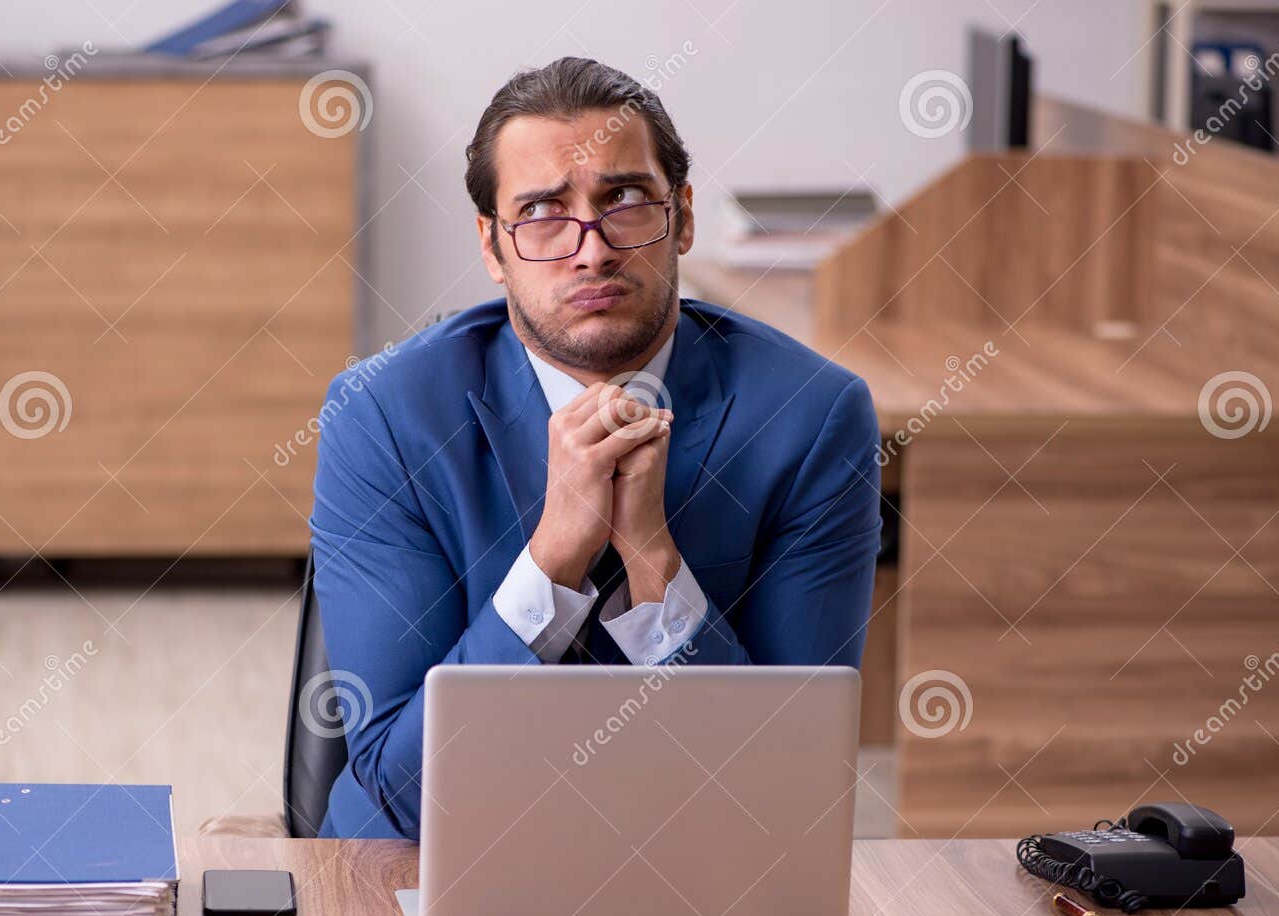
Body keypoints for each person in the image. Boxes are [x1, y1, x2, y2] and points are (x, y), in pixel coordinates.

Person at [309, 57, 880, 840]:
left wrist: (651, 559)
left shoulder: (813, 417)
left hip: (699, 857)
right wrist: (553, 558)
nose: (592, 249)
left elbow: (787, 780)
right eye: (543, 211)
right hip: (418, 867)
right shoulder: (382, 414)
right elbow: (406, 794)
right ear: (492, 246)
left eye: (624, 201)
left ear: (681, 216)